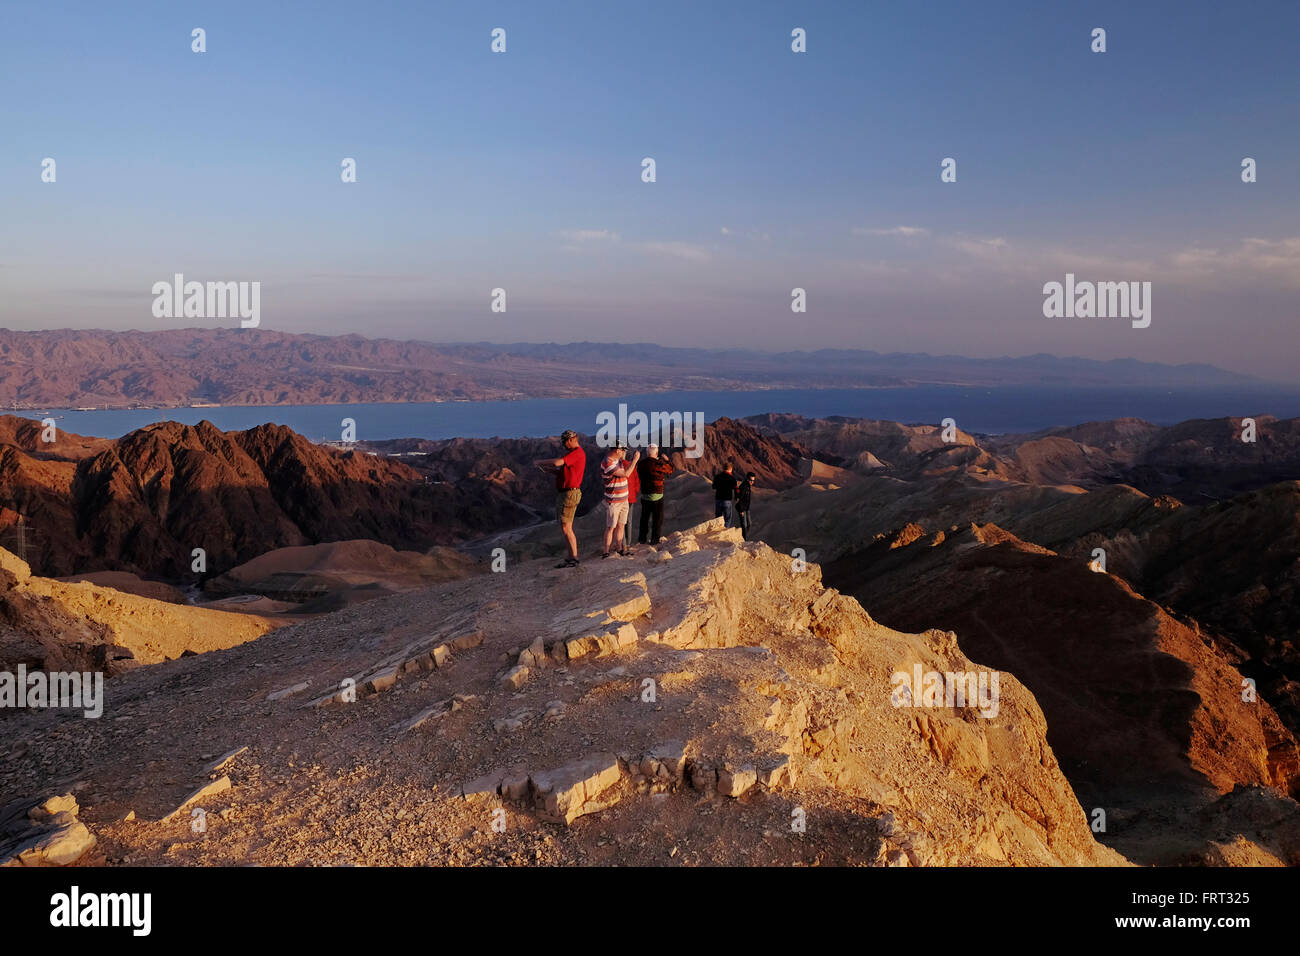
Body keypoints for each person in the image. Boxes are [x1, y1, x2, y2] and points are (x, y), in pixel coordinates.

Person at [534, 429, 585, 568]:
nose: (563, 446)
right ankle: (570, 557)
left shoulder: (577, 453)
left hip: (569, 493)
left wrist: (540, 461)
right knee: (565, 527)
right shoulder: (573, 454)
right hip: (566, 492)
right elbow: (563, 472)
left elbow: (558, 462)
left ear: (571, 440)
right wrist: (549, 470)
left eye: (564, 442)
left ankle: (573, 558)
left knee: (567, 527)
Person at [600, 443, 640, 557]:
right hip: (614, 500)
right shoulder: (608, 463)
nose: (624, 452)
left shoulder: (618, 461)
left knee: (621, 525)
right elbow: (626, 474)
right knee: (611, 527)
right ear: (617, 450)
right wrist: (635, 460)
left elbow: (627, 469)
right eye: (623, 450)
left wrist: (631, 461)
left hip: (623, 498)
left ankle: (619, 548)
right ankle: (606, 552)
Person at [636, 444, 674, 544]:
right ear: (656, 453)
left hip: (645, 496)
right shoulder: (660, 464)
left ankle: (642, 539)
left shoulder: (641, 464)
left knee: (644, 518)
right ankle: (654, 540)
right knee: (657, 519)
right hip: (658, 496)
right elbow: (670, 470)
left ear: (647, 453)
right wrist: (667, 460)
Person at [623, 453, 640, 554]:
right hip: (631, 497)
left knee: (620, 523)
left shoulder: (617, 466)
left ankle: (623, 545)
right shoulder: (631, 466)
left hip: (621, 497)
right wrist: (634, 493)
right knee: (628, 521)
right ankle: (628, 543)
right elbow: (637, 483)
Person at [735, 472, 756, 540]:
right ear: (747, 479)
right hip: (742, 509)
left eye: (753, 480)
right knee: (744, 525)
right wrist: (741, 510)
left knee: (749, 524)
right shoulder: (744, 486)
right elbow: (739, 498)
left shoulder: (748, 486)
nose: (752, 482)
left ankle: (742, 537)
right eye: (751, 480)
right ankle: (744, 540)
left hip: (747, 508)